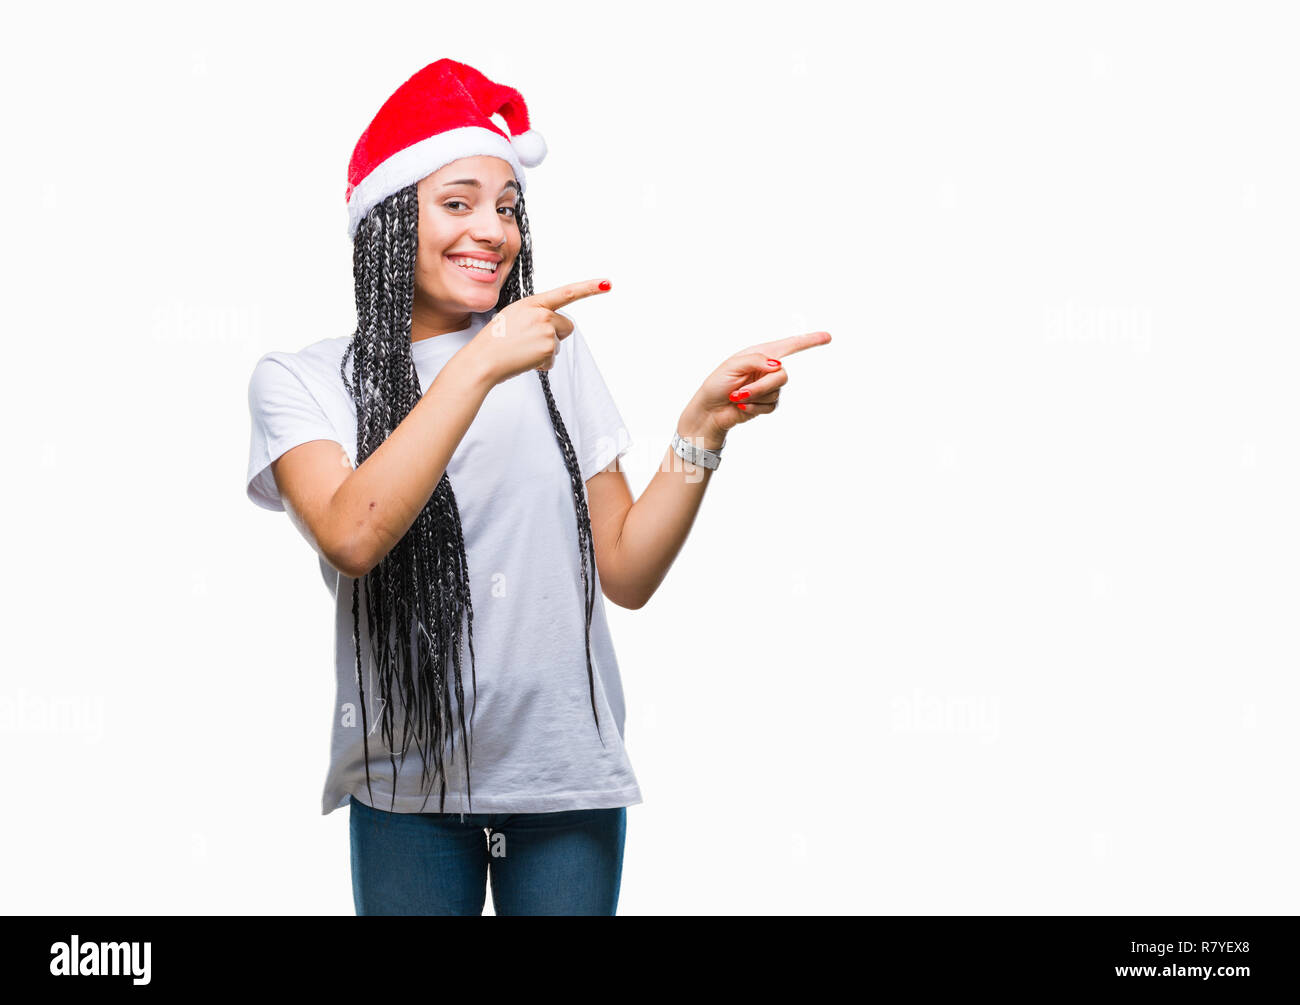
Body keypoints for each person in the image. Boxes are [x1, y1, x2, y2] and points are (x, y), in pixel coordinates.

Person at [244, 58, 830, 916]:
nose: (494, 229)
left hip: (566, 782)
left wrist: (699, 432)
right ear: (386, 220)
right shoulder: (302, 379)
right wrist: (479, 362)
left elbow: (626, 572)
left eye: (509, 207)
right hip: (406, 790)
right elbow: (353, 535)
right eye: (458, 201)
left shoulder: (552, 355)